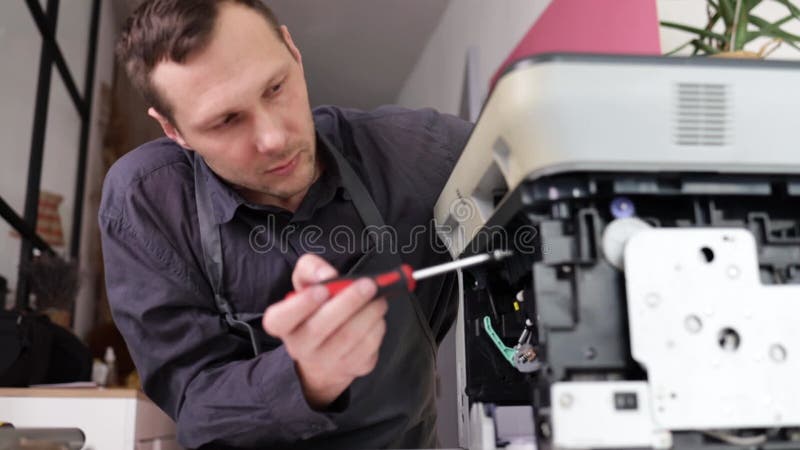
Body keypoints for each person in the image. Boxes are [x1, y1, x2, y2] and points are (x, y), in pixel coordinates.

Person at [101, 0, 472, 448]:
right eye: (226, 120)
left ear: (293, 51)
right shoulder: (145, 202)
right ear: (174, 130)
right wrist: (305, 377)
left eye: (275, 87)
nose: (274, 138)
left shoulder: (416, 152)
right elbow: (195, 409)